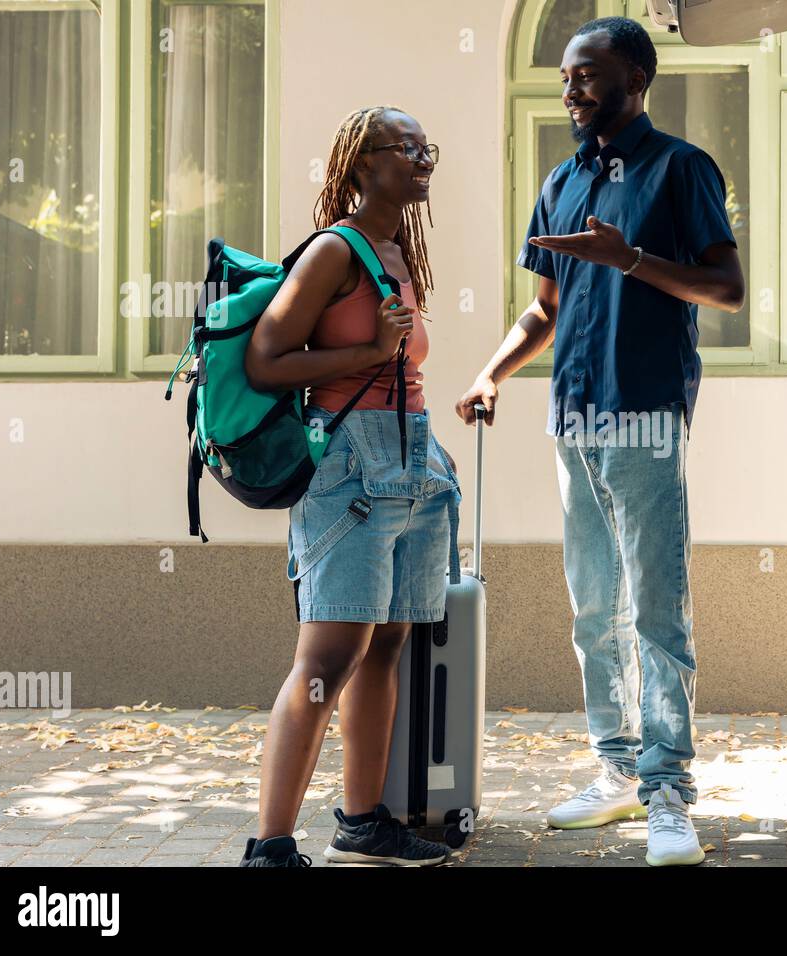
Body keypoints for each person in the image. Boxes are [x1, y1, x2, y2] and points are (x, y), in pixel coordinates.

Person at [456, 17, 744, 867]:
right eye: (566, 78)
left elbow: (725, 289)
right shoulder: (561, 179)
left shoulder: (681, 169)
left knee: (658, 612)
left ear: (637, 77)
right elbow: (544, 309)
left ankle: (669, 796)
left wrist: (631, 261)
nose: (572, 89)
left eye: (588, 74)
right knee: (594, 612)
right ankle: (615, 772)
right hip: (571, 420)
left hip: (646, 417)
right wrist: (491, 374)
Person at [239, 106, 458, 867]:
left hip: (413, 463)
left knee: (386, 646)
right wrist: (369, 348)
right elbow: (268, 359)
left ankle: (363, 822)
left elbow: (404, 364)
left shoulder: (399, 249)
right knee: (327, 660)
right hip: (349, 470)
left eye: (428, 147)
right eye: (407, 148)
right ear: (363, 163)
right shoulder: (336, 250)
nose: (423, 158)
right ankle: (269, 846)